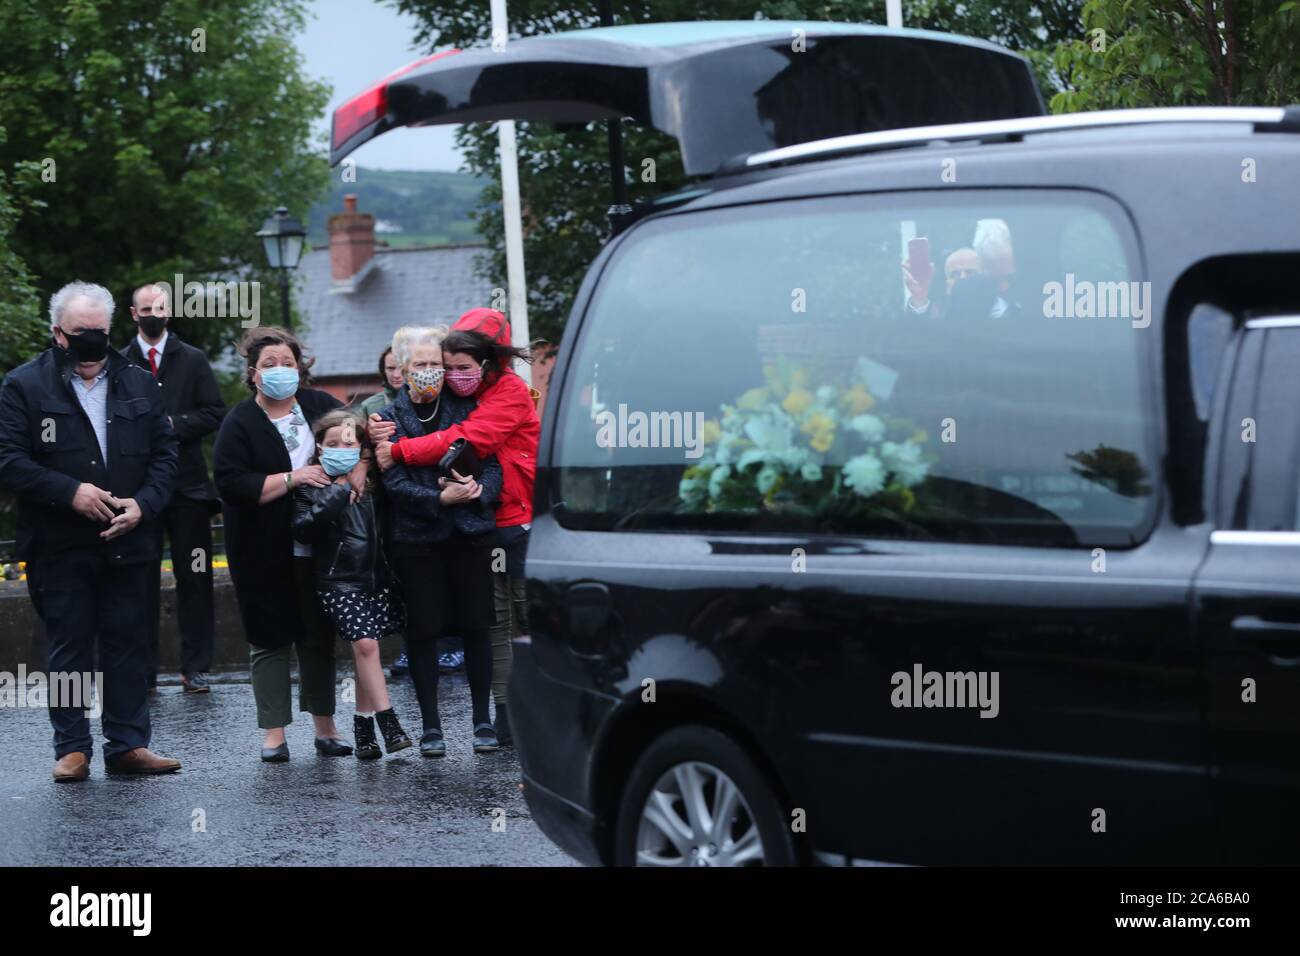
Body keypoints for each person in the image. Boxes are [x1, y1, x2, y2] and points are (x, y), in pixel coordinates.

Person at [0, 281, 181, 782]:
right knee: (69, 646)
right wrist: (69, 491)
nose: (92, 340)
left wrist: (144, 505)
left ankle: (128, 745)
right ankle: (72, 748)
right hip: (59, 542)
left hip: (129, 538)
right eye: (82, 332)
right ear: (59, 333)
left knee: (129, 642)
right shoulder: (24, 385)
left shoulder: (140, 381)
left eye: (99, 332)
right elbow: (8, 460)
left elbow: (167, 455)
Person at [371, 309, 539, 747]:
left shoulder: (477, 403)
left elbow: (486, 455)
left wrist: (477, 490)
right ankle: (433, 727)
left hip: (480, 530)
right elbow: (392, 484)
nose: (434, 373)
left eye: (439, 366)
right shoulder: (388, 415)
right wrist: (438, 498)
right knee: (425, 632)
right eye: (423, 365)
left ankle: (490, 721)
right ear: (400, 371)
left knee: (485, 626)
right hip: (419, 539)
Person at [213, 327, 367, 762]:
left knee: (318, 638)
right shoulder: (240, 422)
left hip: (321, 548)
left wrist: (360, 468)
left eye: (287, 362)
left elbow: (363, 436)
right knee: (269, 639)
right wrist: (292, 478)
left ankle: (326, 727)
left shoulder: (319, 406)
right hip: (263, 551)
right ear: (253, 374)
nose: (280, 370)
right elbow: (231, 484)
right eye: (269, 365)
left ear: (300, 368)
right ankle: (274, 734)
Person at [124, 282, 226, 695]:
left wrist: (172, 426)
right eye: (145, 308)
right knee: (138, 581)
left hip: (188, 491)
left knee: (196, 577)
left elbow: (215, 411)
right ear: (133, 314)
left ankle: (196, 667)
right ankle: (143, 670)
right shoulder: (119, 362)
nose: (152, 314)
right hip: (138, 492)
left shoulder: (194, 359)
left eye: (159, 307)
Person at [291, 409, 411, 758]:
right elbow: (303, 529)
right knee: (367, 645)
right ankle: (388, 721)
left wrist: (365, 463)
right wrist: (340, 489)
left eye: (348, 443)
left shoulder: (375, 483)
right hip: (337, 581)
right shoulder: (312, 486)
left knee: (365, 652)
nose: (340, 449)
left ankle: (363, 727)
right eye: (332, 443)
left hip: (375, 577)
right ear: (319, 447)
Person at [357, 346, 404, 418]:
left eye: (401, 368)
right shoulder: (369, 406)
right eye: (390, 369)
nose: (396, 375)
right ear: (383, 371)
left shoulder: (424, 401)